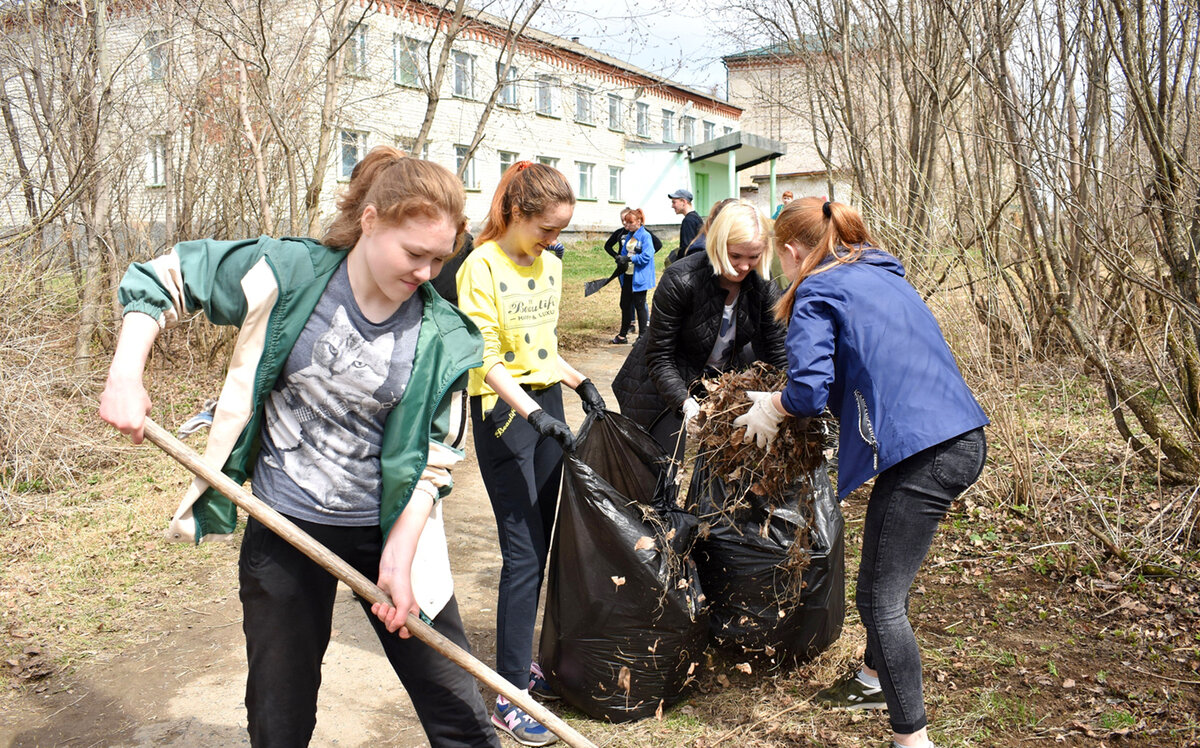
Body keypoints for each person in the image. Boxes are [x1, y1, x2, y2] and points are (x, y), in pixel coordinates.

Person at [99, 148, 501, 748]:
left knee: (458, 708)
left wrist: (399, 552)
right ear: (370, 221)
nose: (425, 272)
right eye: (414, 254)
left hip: (389, 528)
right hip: (285, 524)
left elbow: (436, 456)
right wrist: (126, 374)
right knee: (279, 717)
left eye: (439, 259)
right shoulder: (288, 273)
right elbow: (165, 276)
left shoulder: (442, 335)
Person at [734, 197, 989, 748]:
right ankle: (875, 674)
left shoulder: (816, 290)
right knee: (886, 578)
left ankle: (911, 740)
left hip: (924, 453)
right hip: (962, 435)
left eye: (780, 259)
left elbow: (806, 391)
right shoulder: (881, 272)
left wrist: (773, 407)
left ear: (792, 250)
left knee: (877, 599)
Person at [455, 161, 606, 747]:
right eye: (547, 229)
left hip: (543, 404)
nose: (555, 240)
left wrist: (576, 382)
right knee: (523, 556)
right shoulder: (480, 267)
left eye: (561, 230)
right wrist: (533, 415)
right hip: (503, 415)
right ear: (516, 214)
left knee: (548, 545)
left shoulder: (549, 264)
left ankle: (525, 666)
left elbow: (542, 347)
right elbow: (486, 357)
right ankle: (510, 695)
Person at [613, 199, 787, 462]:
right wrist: (684, 402)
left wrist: (781, 399)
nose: (743, 267)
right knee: (661, 466)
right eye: (735, 256)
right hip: (660, 382)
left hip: (718, 380)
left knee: (722, 463)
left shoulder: (762, 286)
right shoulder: (681, 279)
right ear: (717, 245)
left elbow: (778, 350)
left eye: (753, 257)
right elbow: (659, 357)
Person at [609, 208, 656, 344]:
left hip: (640, 277)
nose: (627, 226)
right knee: (624, 304)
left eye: (630, 223)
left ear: (639, 222)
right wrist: (620, 258)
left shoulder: (645, 236)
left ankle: (642, 337)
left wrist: (630, 259)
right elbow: (625, 251)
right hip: (628, 276)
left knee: (639, 305)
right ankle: (623, 335)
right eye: (626, 222)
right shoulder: (630, 235)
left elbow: (647, 256)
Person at [669, 188, 703, 259]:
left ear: (684, 201)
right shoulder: (696, 217)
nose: (672, 206)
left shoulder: (688, 220)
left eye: (674, 202)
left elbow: (687, 248)